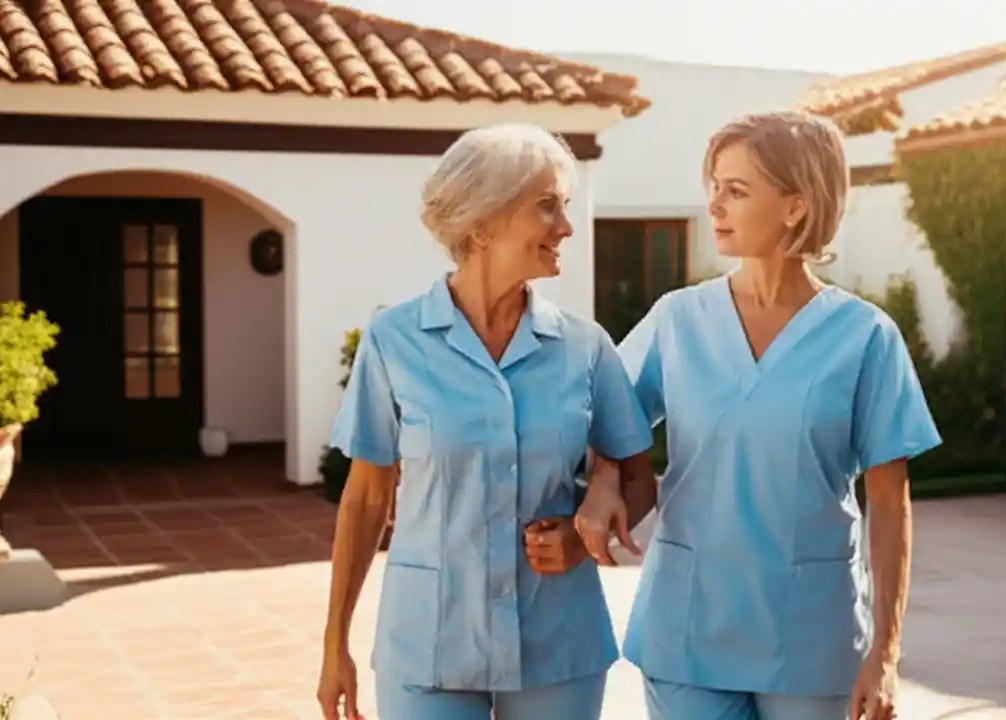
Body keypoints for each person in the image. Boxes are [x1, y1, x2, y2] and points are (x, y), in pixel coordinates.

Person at [575, 110, 942, 720]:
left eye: (737, 190)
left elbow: (889, 502)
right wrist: (606, 480)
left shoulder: (865, 338)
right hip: (688, 624)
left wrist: (885, 651)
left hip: (811, 635)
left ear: (796, 206)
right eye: (714, 186)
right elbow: (607, 419)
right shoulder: (678, 319)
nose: (715, 205)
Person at [317, 123, 654, 720]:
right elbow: (366, 499)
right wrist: (334, 643)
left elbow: (636, 477)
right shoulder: (394, 341)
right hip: (428, 639)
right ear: (481, 222)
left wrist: (583, 538)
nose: (566, 227)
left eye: (564, 205)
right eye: (547, 206)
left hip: (558, 638)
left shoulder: (584, 346)